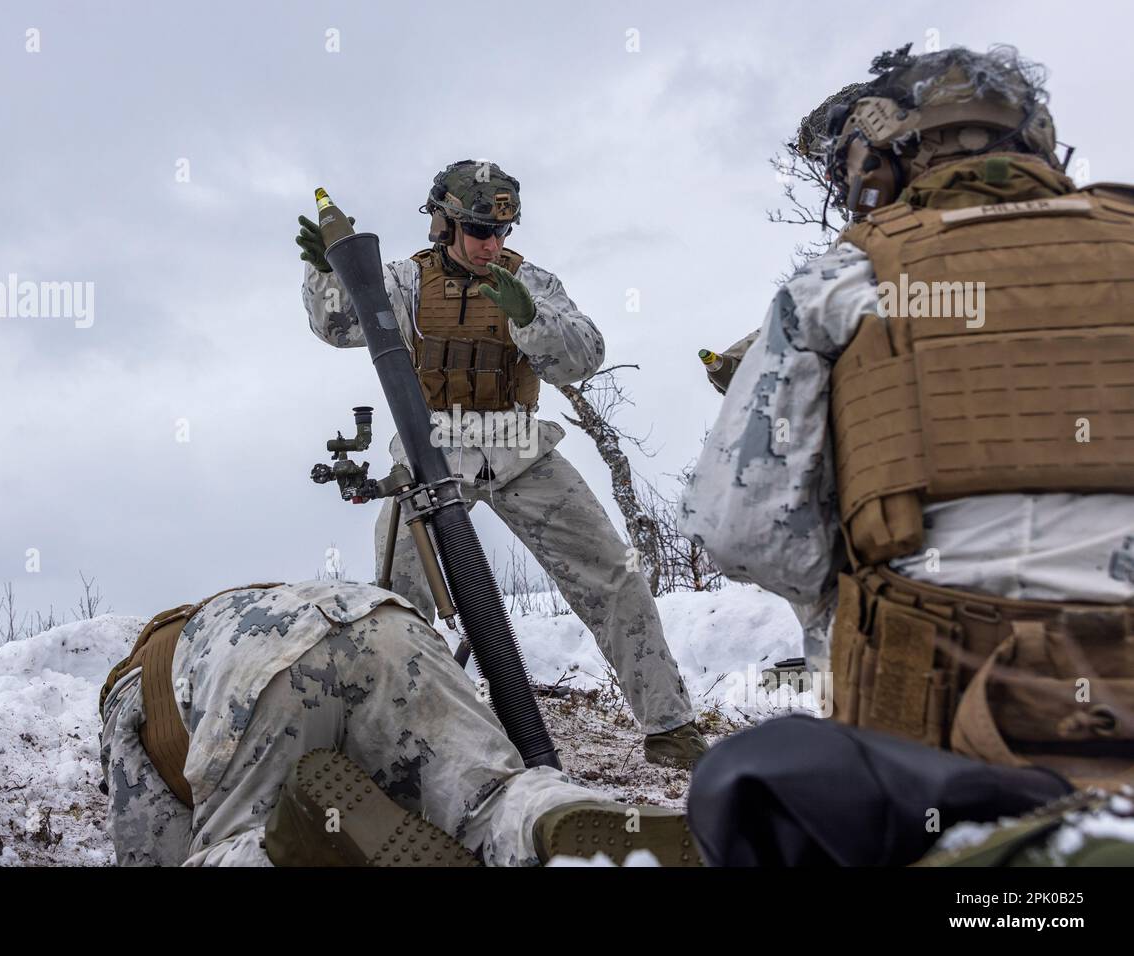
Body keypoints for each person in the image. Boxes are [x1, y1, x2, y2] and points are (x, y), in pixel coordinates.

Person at [679, 44, 1134, 788]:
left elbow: (742, 533)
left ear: (879, 167)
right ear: (1042, 142)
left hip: (937, 727)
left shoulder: (841, 280)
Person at [296, 159, 705, 767]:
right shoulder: (405, 280)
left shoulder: (530, 279)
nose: (491, 244)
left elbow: (582, 358)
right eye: (477, 230)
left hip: (518, 442)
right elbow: (338, 325)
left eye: (500, 233)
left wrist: (529, 317)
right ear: (443, 223)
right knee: (398, 599)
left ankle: (670, 726)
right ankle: (390, 740)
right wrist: (325, 269)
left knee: (611, 574)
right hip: (430, 441)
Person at [97, 581, 700, 866]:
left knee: (225, 853)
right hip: (383, 620)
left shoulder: (127, 702)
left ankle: (288, 851)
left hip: (259, 663)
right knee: (486, 798)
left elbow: (149, 852)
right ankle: (554, 818)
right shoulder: (219, 615)